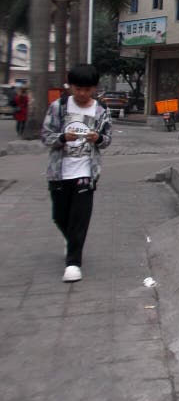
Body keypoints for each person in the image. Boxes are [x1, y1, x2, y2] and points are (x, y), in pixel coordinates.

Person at [41, 64, 112, 283]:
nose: (82, 94)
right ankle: (71, 240)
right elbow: (45, 136)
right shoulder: (58, 107)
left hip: (85, 171)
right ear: (70, 86)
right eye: (78, 89)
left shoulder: (100, 110)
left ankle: (73, 263)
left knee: (80, 217)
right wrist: (62, 138)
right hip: (59, 172)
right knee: (59, 215)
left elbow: (107, 140)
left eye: (87, 89)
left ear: (94, 89)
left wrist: (97, 138)